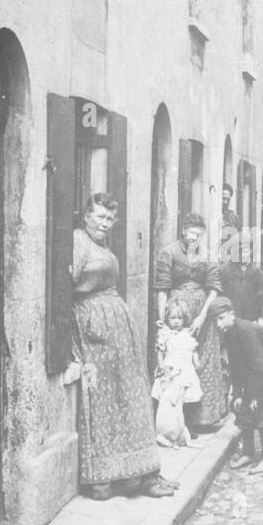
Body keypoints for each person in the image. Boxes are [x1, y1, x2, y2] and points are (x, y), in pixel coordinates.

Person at [71, 193, 176, 501]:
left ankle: (138, 475)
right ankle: (105, 478)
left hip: (117, 333)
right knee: (105, 399)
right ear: (86, 216)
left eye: (109, 219)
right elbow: (68, 285)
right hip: (95, 335)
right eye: (99, 217)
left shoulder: (102, 245)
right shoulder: (79, 241)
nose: (104, 224)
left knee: (129, 396)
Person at [154, 213, 227, 429]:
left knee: (202, 359)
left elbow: (214, 287)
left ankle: (203, 418)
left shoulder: (208, 255)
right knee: (176, 360)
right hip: (177, 311)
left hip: (201, 312)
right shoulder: (169, 252)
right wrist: (163, 321)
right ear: (183, 231)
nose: (194, 238)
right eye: (191, 233)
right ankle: (175, 418)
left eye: (199, 234)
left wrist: (203, 315)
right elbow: (162, 289)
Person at [215, 296, 263, 474]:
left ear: (231, 315)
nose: (217, 324)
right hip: (259, 370)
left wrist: (253, 395)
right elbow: (236, 365)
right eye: (214, 320)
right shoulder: (230, 332)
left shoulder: (244, 330)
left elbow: (260, 365)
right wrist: (239, 394)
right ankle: (248, 452)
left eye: (220, 318)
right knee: (242, 406)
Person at [151, 299, 202, 418]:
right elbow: (160, 352)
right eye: (173, 318)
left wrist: (196, 360)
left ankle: (186, 425)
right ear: (167, 318)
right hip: (171, 369)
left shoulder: (187, 334)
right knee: (170, 396)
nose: (176, 322)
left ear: (184, 319)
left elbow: (192, 349)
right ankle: (167, 423)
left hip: (186, 369)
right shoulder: (165, 334)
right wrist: (161, 366)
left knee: (186, 396)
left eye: (179, 318)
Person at [219, 238, 263, 319]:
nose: (242, 255)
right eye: (238, 251)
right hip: (229, 319)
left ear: (251, 251)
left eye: (245, 251)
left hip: (250, 320)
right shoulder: (224, 271)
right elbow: (219, 298)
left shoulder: (257, 274)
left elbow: (262, 300)